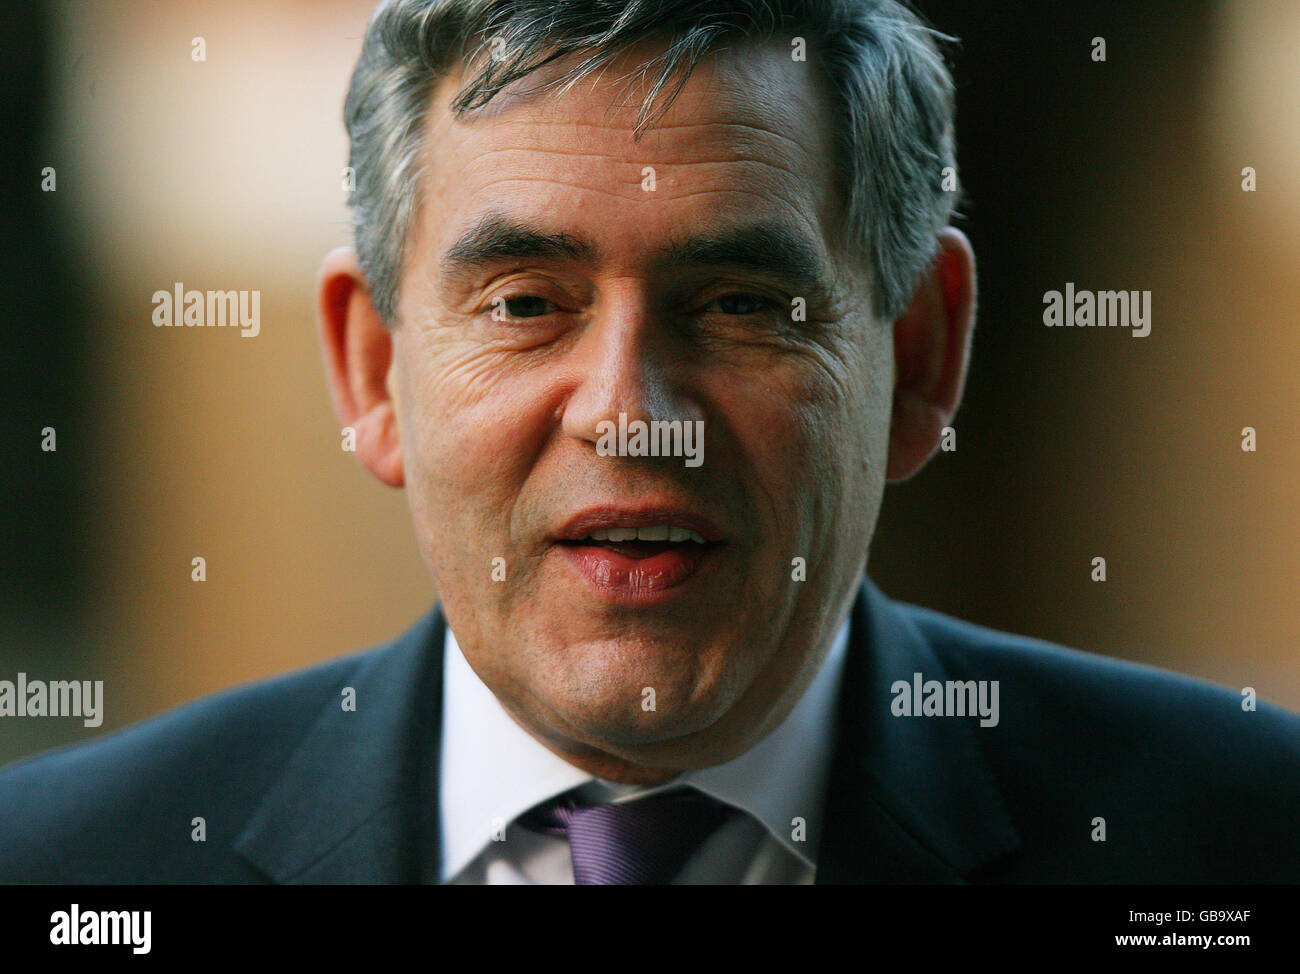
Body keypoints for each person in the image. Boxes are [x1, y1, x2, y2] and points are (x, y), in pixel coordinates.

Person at [2, 0, 1297, 885]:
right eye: (524, 306)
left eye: (737, 304)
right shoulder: (71, 867)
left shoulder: (1237, 838)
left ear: (917, 356)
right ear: (369, 367)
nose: (629, 410)